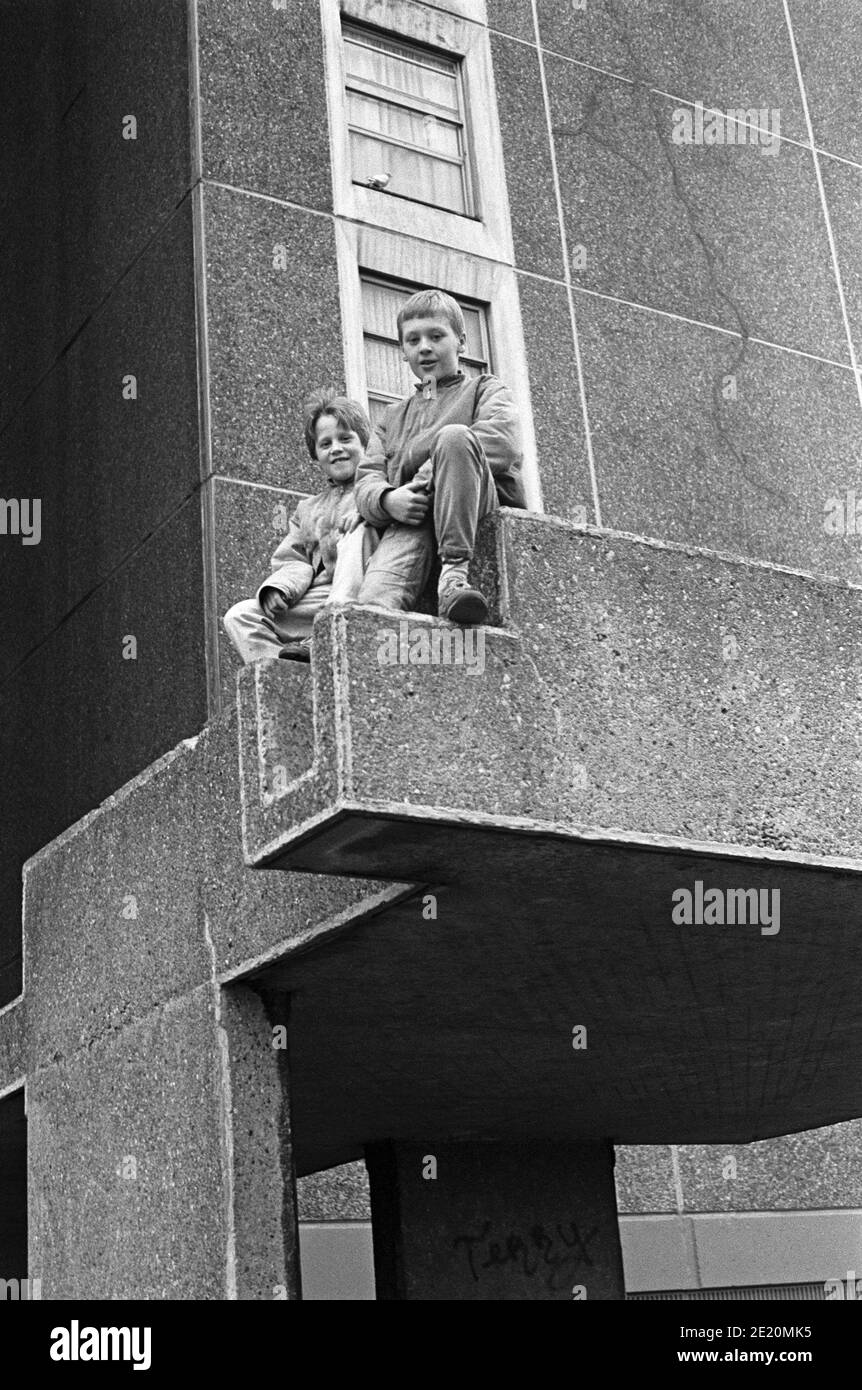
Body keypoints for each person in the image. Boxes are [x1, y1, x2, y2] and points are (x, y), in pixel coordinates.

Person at [352, 288, 526, 625]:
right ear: (403, 351)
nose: (425, 347)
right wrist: (388, 499)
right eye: (413, 340)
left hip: (474, 505)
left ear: (461, 341)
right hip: (413, 516)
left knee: (454, 437)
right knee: (371, 609)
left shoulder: (486, 389)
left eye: (436, 336)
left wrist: (431, 473)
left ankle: (453, 578)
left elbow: (503, 441)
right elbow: (366, 478)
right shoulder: (391, 416)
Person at [223, 391, 375, 663]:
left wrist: (369, 510)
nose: (336, 448)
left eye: (345, 439)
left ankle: (328, 632)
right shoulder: (308, 509)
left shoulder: (379, 487)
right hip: (319, 598)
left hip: (364, 592)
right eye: (325, 444)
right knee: (239, 615)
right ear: (316, 456)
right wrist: (279, 588)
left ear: (364, 443)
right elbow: (292, 559)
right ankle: (290, 678)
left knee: (358, 531)